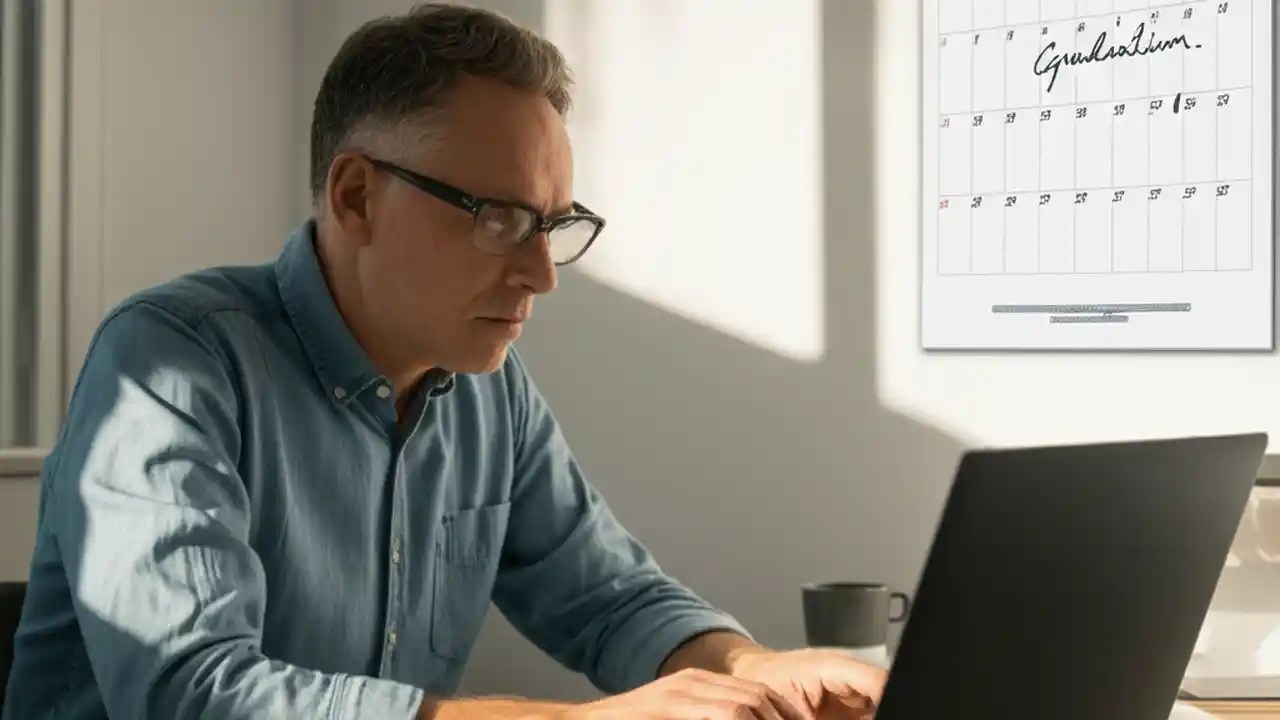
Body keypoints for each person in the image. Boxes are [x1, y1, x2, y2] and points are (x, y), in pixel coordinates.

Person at [2, 4, 887, 718]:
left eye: (552, 225)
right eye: (499, 217)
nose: (541, 271)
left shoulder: (488, 393)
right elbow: (193, 696)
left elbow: (610, 598)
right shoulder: (170, 365)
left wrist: (756, 670)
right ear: (357, 195)